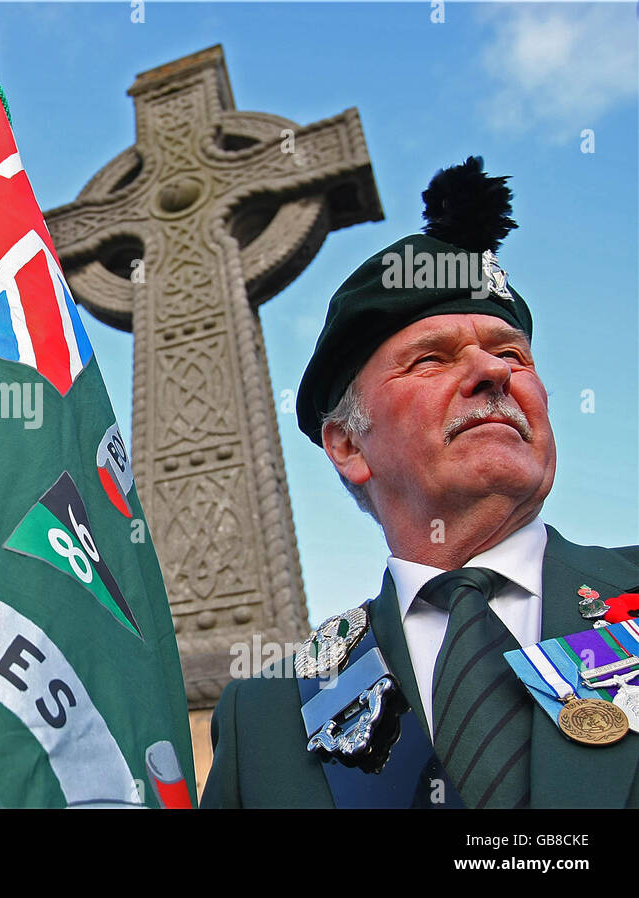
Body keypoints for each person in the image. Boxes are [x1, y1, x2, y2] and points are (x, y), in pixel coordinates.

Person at [201, 157, 639, 809]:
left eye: (511, 354)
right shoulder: (265, 713)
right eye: (432, 359)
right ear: (347, 444)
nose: (494, 374)